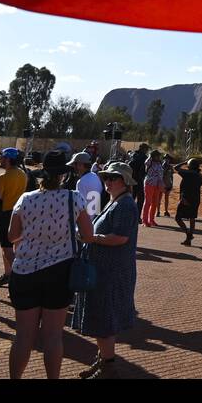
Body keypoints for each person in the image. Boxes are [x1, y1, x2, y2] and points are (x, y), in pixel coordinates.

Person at [7, 150, 94, 379]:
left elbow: (12, 235)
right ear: (63, 175)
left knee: (24, 335)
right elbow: (88, 235)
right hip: (59, 271)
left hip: (25, 270)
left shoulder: (26, 199)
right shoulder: (74, 198)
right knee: (53, 336)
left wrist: (33, 233)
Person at [72, 162, 139, 379]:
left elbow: (121, 237)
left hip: (111, 272)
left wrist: (93, 238)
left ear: (125, 182)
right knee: (102, 318)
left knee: (104, 320)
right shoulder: (115, 202)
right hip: (104, 269)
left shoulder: (125, 205)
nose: (108, 181)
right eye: (106, 177)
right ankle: (102, 362)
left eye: (113, 178)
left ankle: (108, 368)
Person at [0, 148, 26, 290]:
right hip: (16, 215)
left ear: (8, 159)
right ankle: (17, 280)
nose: (0, 160)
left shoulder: (4, 177)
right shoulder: (23, 174)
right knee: (9, 249)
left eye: (2, 157)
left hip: (2, 215)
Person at [174, 158, 202, 246]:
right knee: (192, 218)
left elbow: (176, 167)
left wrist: (184, 162)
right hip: (196, 199)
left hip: (185, 199)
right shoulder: (199, 175)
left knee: (178, 218)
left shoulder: (188, 173)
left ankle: (188, 234)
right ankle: (189, 239)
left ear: (189, 166)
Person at [72, 152, 104, 218]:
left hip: (87, 220)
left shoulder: (81, 182)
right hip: (95, 217)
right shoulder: (95, 176)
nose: (73, 167)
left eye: (75, 164)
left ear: (81, 165)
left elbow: (80, 207)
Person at [141, 149, 165, 227]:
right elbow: (146, 162)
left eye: (159, 155)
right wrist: (150, 156)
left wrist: (161, 184)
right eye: (157, 155)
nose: (159, 157)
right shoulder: (149, 162)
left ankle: (151, 220)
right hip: (149, 184)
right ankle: (144, 221)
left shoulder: (159, 163)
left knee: (155, 203)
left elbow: (161, 174)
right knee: (148, 202)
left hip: (158, 185)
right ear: (153, 156)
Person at [128, 144, 148, 220]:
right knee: (140, 199)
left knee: (131, 198)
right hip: (140, 180)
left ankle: (129, 215)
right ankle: (137, 217)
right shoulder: (144, 157)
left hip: (131, 179)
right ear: (143, 149)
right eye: (146, 149)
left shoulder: (133, 155)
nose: (147, 151)